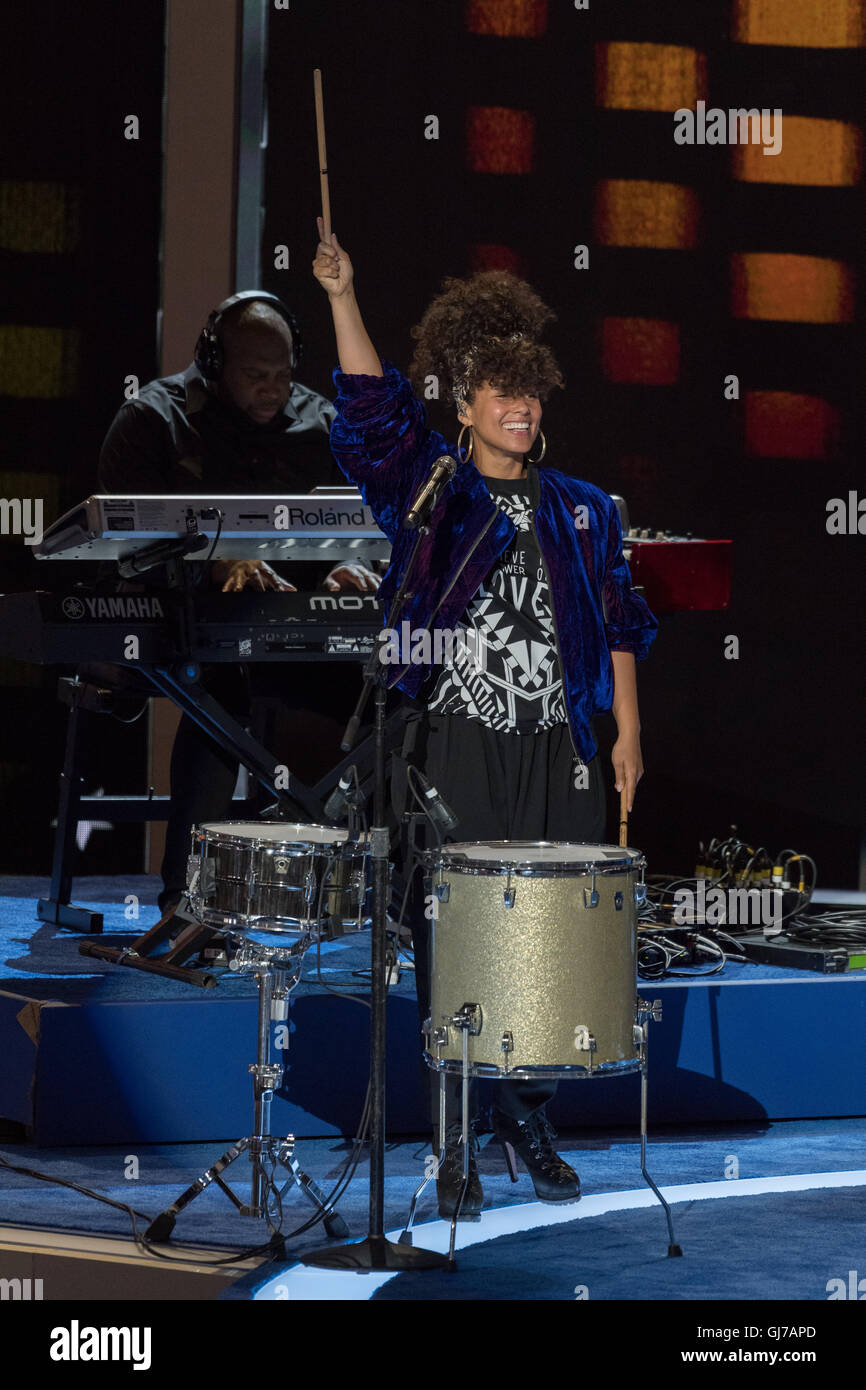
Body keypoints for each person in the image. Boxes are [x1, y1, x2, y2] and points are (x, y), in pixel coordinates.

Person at [312, 223, 657, 1217]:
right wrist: (342, 295)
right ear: (462, 405)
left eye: (531, 392)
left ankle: (527, 1115)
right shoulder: (437, 489)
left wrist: (625, 733)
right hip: (456, 739)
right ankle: (455, 1131)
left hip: (560, 741)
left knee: (546, 934)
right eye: (501, 392)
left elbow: (623, 621)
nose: (521, 407)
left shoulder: (584, 507)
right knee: (457, 936)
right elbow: (373, 410)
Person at [99, 291, 379, 912]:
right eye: (255, 376)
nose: (272, 390)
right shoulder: (153, 420)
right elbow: (129, 543)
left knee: (388, 697)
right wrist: (217, 564)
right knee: (216, 694)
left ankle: (375, 893)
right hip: (180, 625)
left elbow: (359, 525)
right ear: (212, 361)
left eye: (283, 376)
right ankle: (186, 899)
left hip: (293, 631)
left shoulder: (324, 423)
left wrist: (347, 565)